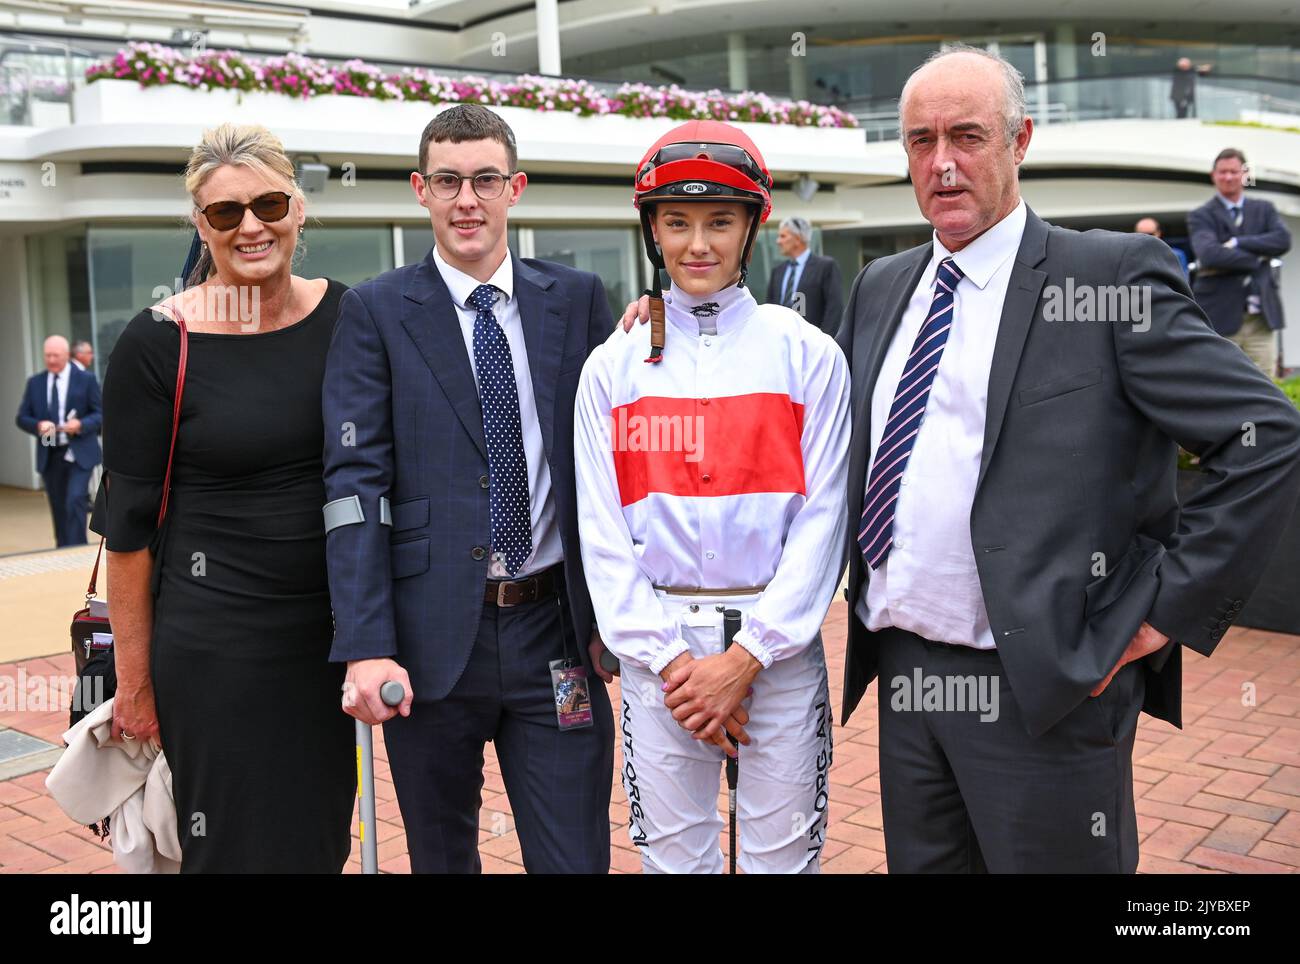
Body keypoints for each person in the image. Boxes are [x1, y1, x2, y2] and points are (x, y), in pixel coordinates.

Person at [832, 45, 1300, 872]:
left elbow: (1264, 433)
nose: (941, 163)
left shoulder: (1106, 277)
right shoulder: (881, 286)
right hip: (909, 680)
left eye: (967, 136)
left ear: (1021, 141)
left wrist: (1159, 617)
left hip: (1043, 689)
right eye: (919, 141)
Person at [323, 103, 615, 874]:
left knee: (576, 855)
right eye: (448, 180)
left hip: (555, 637)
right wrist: (366, 646)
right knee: (443, 858)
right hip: (427, 647)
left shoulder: (578, 300)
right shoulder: (377, 311)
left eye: (485, 179)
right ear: (420, 189)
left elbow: (617, 459)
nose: (467, 201)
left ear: (515, 188)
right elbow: (354, 484)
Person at [580, 120, 850, 873]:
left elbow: (824, 522)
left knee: (783, 861)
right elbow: (601, 533)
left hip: (778, 650)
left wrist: (746, 657)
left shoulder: (809, 355)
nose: (698, 244)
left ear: (752, 228)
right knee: (676, 863)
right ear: (652, 232)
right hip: (657, 649)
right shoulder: (613, 366)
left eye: (720, 222)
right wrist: (675, 663)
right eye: (678, 223)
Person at [94, 122, 355, 872]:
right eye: (224, 213)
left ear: (298, 209)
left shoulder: (346, 316)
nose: (251, 226)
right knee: (227, 850)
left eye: (268, 204)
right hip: (215, 652)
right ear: (200, 227)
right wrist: (135, 687)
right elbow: (129, 535)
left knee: (317, 844)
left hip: (326, 648)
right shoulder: (157, 342)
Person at [1188, 148, 1291, 376]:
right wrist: (1258, 258)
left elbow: (1283, 240)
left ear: (1244, 174)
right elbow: (1209, 254)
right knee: (1221, 385)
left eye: (1234, 171)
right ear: (1213, 175)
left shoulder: (1264, 210)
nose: (1228, 177)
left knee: (1267, 387)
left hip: (1261, 319)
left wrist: (1236, 242)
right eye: (1222, 172)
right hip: (1221, 318)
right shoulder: (1201, 215)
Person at [16, 335, 101, 546]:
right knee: (59, 506)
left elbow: (100, 413)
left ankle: (77, 549)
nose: (51, 360)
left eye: (56, 355)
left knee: (75, 500)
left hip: (79, 452)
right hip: (50, 453)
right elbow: (22, 417)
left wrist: (80, 425)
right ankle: (63, 549)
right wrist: (38, 426)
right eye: (47, 355)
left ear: (66, 355)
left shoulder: (86, 380)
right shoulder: (35, 383)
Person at [765, 216, 844, 335]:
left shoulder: (825, 267)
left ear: (797, 239)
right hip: (781, 343)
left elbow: (834, 309)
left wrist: (824, 341)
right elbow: (770, 308)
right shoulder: (777, 271)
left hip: (813, 343)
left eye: (783, 236)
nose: (778, 241)